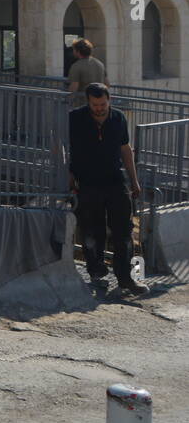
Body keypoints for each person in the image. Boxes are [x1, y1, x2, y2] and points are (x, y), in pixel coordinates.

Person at [68, 82, 148, 294]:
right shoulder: (75, 118)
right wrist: (68, 174)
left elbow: (125, 149)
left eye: (103, 104)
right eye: (95, 105)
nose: (99, 108)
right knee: (93, 230)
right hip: (86, 182)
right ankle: (97, 272)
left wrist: (134, 180)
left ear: (109, 100)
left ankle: (126, 278)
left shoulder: (118, 118)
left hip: (115, 180)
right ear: (88, 102)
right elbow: (60, 144)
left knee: (123, 231)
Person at [66, 38, 107, 109]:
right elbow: (107, 84)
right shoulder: (100, 64)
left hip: (83, 105)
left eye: (74, 50)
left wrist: (67, 101)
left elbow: (74, 87)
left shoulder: (76, 66)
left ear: (78, 52)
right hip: (98, 105)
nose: (73, 52)